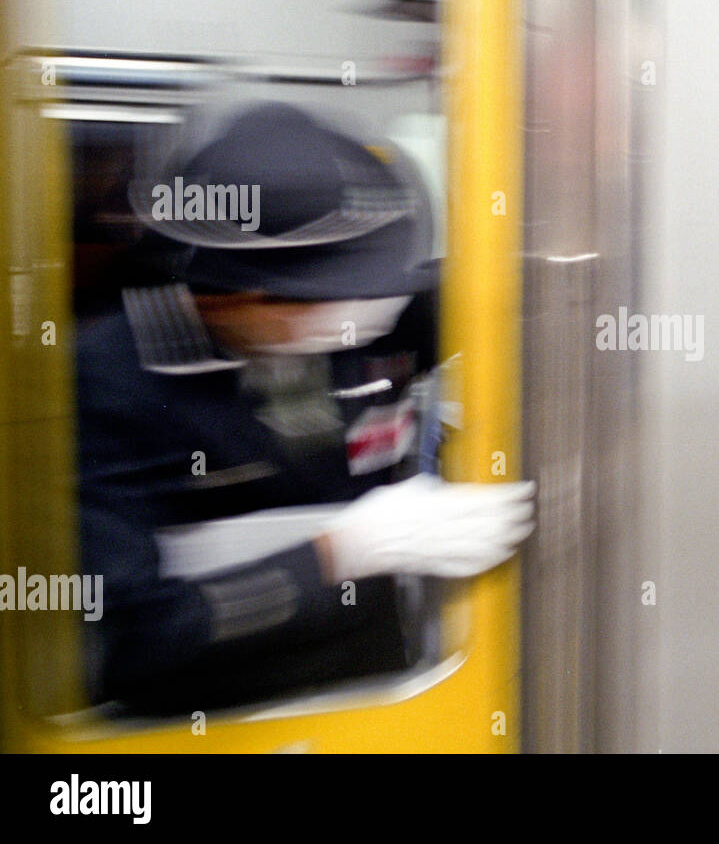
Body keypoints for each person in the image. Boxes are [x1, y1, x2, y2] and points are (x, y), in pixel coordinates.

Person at [76, 102, 532, 714]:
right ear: (222, 299)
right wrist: (339, 554)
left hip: (387, 696)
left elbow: (520, 309)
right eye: (332, 299)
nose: (371, 315)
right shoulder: (107, 383)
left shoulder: (370, 319)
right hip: (212, 718)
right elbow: (136, 637)